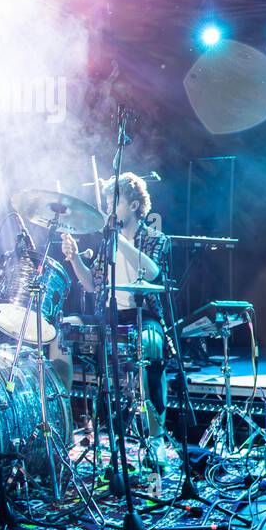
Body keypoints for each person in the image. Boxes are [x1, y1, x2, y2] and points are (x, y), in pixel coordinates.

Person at [61, 172, 170, 448]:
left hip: (144, 317)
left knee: (149, 346)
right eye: (108, 203)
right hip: (108, 316)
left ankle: (155, 436)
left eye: (114, 202)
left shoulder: (155, 239)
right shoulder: (109, 243)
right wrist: (74, 258)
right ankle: (62, 417)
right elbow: (90, 284)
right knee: (62, 329)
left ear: (133, 205)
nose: (109, 209)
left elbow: (153, 271)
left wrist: (119, 240)